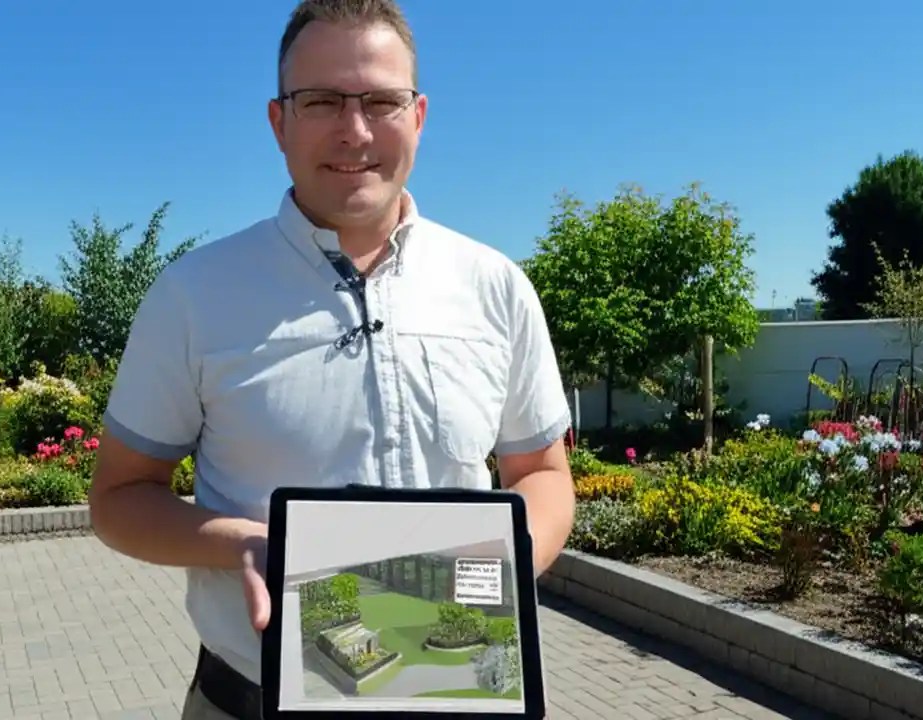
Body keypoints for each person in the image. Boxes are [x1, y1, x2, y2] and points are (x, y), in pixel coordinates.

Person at [88, 1, 576, 717]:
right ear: (279, 122)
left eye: (382, 100)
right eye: (320, 101)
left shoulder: (495, 286)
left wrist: (491, 571)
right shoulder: (194, 295)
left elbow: (541, 474)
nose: (354, 130)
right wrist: (248, 545)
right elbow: (118, 499)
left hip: (459, 690)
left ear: (419, 116)